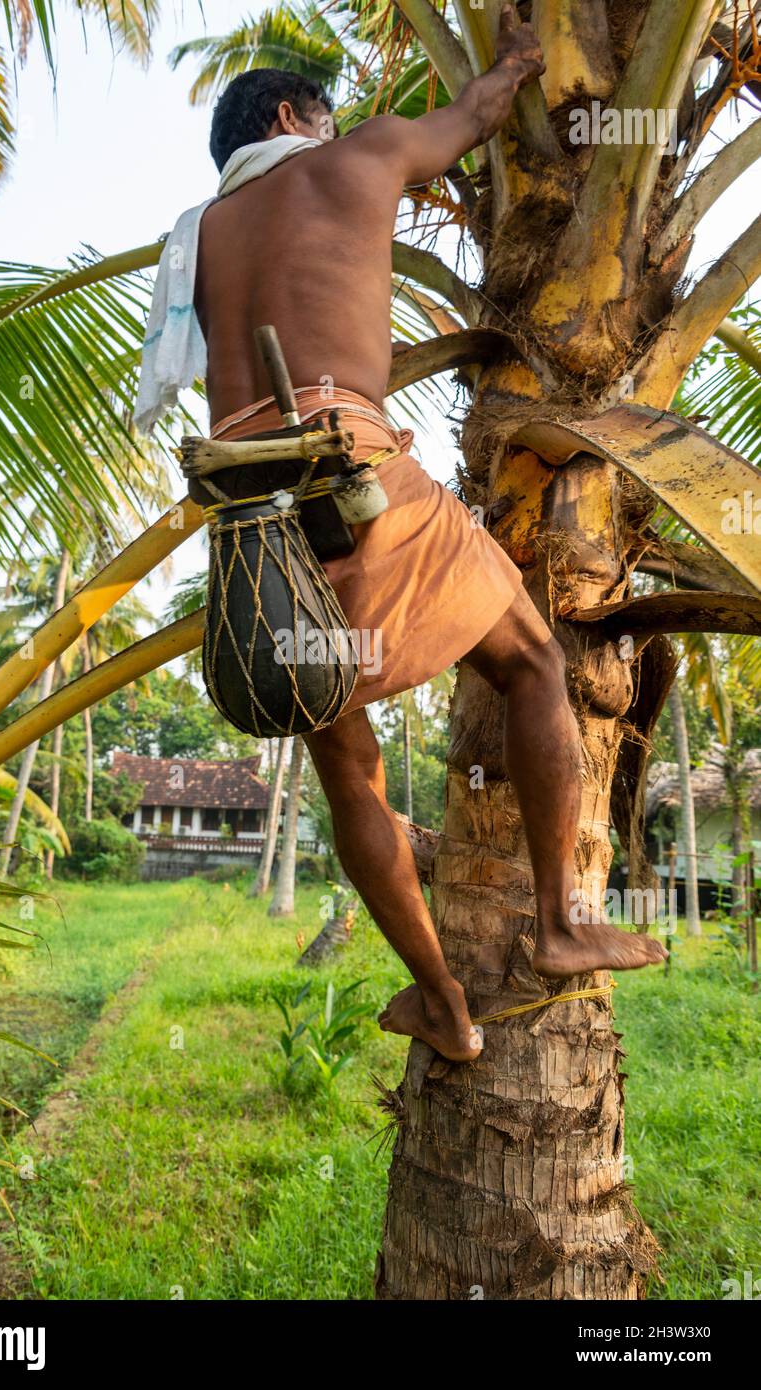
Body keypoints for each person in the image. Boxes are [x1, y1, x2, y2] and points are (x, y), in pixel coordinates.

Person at [166, 6, 667, 1063]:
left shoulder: (202, 235)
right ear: (298, 116)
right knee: (532, 659)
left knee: (351, 774)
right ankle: (565, 923)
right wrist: (524, 60)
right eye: (329, 112)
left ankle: (441, 998)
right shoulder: (356, 158)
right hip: (356, 477)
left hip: (256, 528)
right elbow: (478, 114)